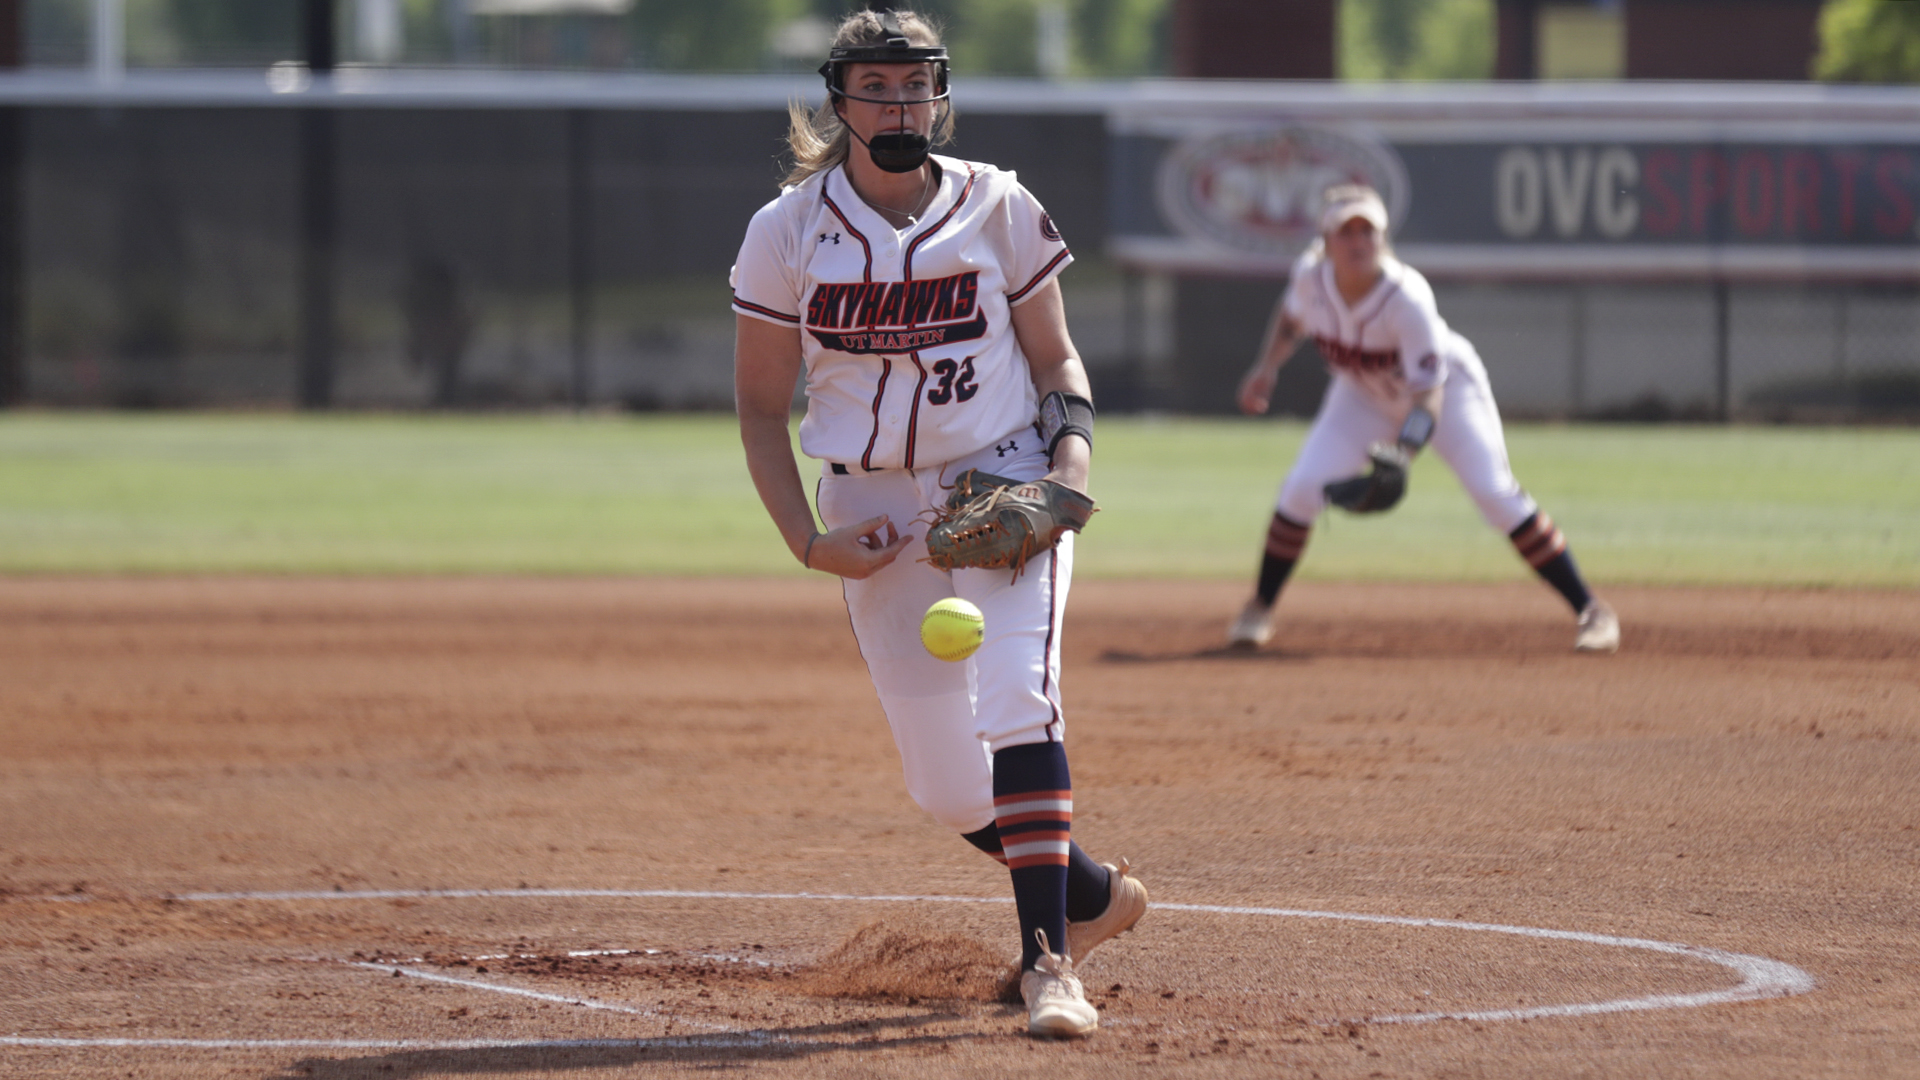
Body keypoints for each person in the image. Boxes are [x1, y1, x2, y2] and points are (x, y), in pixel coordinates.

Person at [729, 10, 1145, 1039]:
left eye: (916, 86)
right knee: (948, 786)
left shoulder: (996, 205)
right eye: (876, 87)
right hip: (867, 503)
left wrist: (1069, 467)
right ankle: (1092, 897)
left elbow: (1055, 364)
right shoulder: (786, 233)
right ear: (840, 101)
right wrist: (805, 539)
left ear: (940, 97)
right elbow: (757, 406)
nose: (899, 104)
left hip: (999, 482)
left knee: (1015, 695)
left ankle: (1050, 960)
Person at [1229, 184, 1620, 654]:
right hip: (1360, 396)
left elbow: (1428, 396)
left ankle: (1591, 609)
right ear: (1326, 241)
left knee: (1495, 494)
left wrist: (1403, 454)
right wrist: (1266, 367)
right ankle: (1259, 608)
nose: (1358, 242)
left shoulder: (1406, 298)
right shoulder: (1310, 279)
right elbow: (1292, 319)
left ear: (1383, 238)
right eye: (1346, 232)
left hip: (1449, 393)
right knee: (1300, 489)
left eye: (1367, 232)